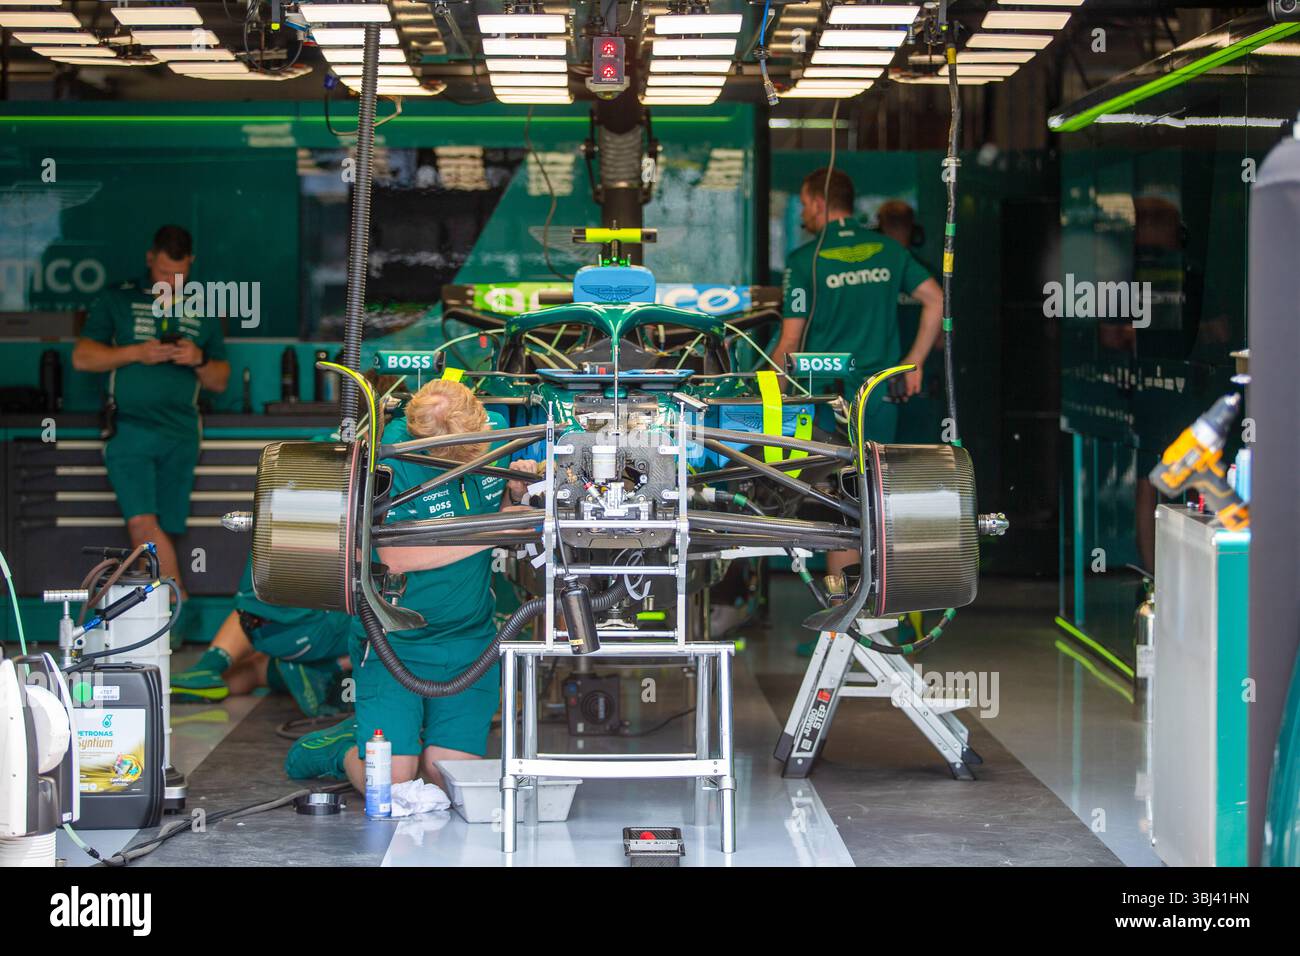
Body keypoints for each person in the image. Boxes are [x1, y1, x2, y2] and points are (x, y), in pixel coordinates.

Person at [285, 380, 536, 792]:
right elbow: (395, 555)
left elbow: (510, 512)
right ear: (422, 437)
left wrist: (518, 490)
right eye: (455, 455)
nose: (470, 458)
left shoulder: (495, 429)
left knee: (446, 779)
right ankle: (333, 747)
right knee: (391, 783)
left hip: (470, 639)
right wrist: (495, 531)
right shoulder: (387, 458)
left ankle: (390, 731)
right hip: (395, 640)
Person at [771, 169, 945, 628]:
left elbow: (789, 341)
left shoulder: (807, 259)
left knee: (837, 507)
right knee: (878, 502)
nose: (805, 213)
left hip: (827, 401)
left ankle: (842, 620)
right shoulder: (889, 251)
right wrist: (916, 362)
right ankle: (891, 611)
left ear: (817, 202)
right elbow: (935, 299)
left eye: (806, 204)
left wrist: (759, 389)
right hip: (879, 399)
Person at [72, 225, 231, 642]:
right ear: (149, 259)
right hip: (129, 430)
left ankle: (163, 611)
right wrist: (138, 353)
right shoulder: (118, 298)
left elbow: (219, 380)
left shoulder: (204, 306)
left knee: (164, 528)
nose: (169, 283)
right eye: (162, 273)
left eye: (177, 275)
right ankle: (174, 613)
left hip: (182, 433)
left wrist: (196, 358)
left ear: (190, 265)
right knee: (143, 524)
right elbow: (83, 358)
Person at [170, 557, 352, 718]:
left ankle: (207, 669)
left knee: (259, 661)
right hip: (318, 639)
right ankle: (313, 666)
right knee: (367, 631)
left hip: (263, 619)